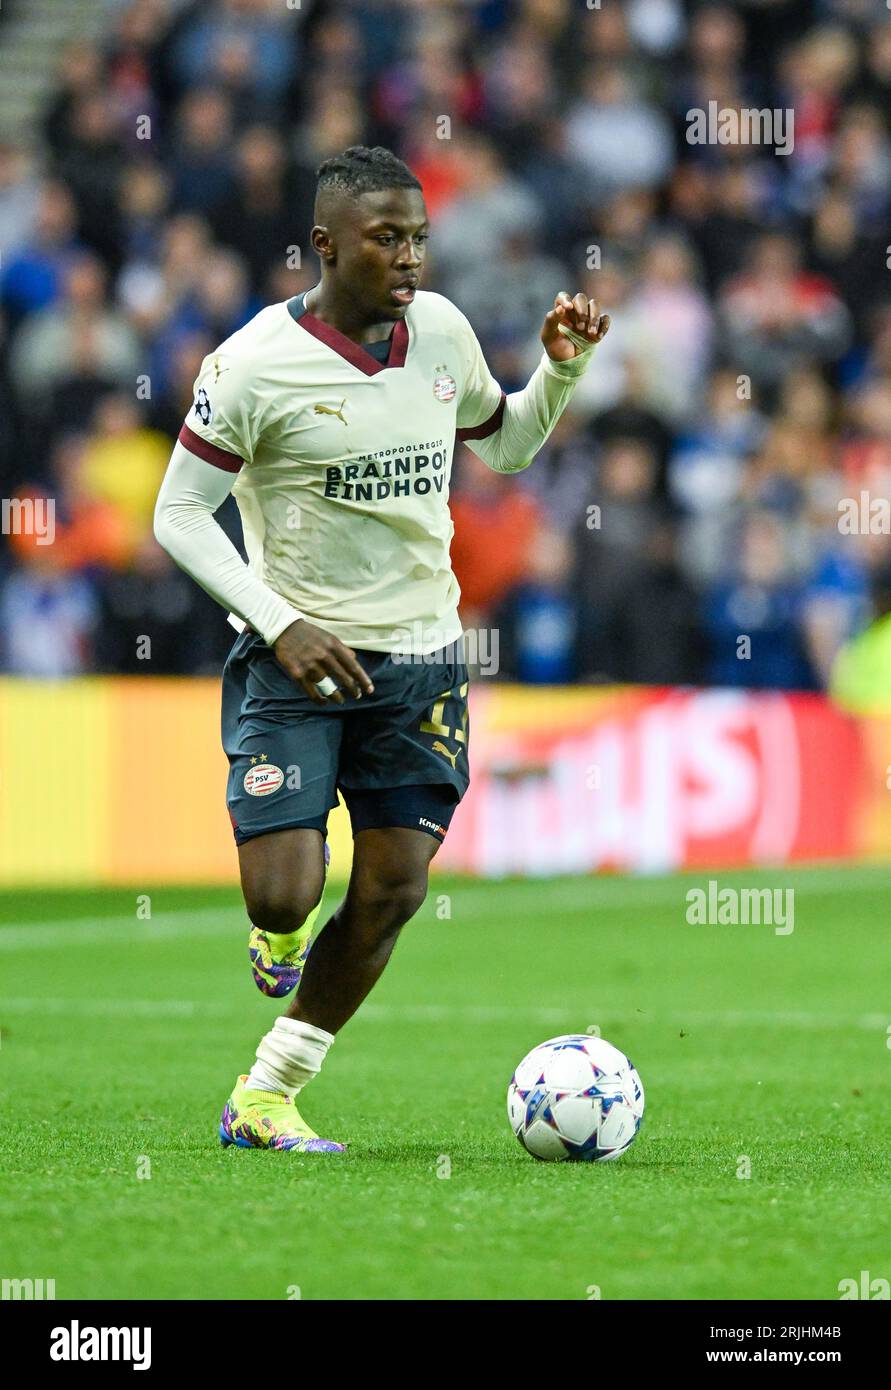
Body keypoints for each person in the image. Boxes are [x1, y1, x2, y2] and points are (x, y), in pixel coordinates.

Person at [153, 145, 609, 1153]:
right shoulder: (250, 367)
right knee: (286, 889)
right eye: (386, 239)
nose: (409, 258)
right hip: (297, 659)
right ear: (325, 245)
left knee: (397, 885)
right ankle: (276, 933)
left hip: (422, 659)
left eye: (418, 238)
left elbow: (508, 444)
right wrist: (279, 619)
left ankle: (266, 1094)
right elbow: (179, 515)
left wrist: (562, 370)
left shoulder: (440, 331)